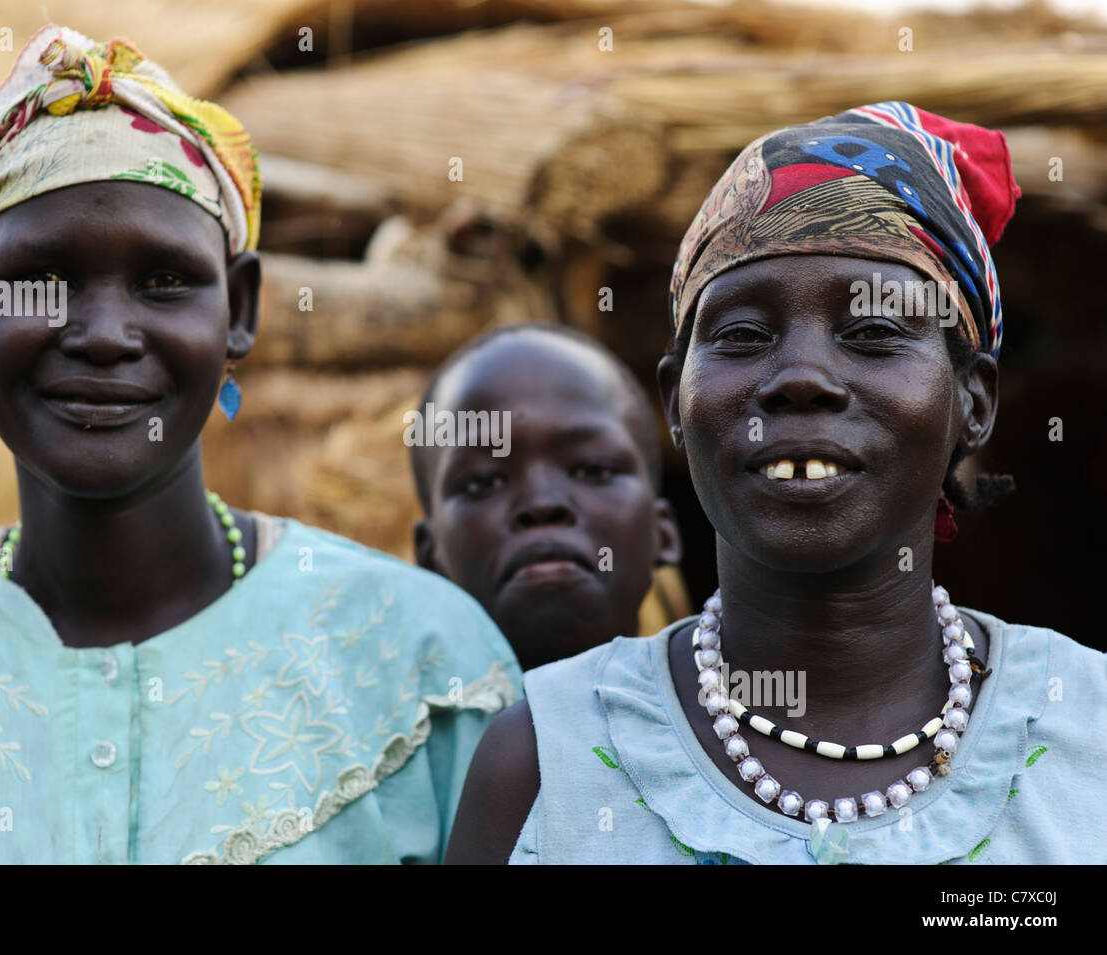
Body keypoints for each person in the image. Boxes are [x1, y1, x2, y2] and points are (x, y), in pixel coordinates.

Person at [0, 24, 520, 865]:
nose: (105, 334)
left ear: (242, 308)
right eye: (45, 279)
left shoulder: (425, 668)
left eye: (164, 281)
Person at [445, 102, 1107, 865]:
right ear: (674, 404)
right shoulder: (542, 759)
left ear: (973, 401)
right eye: (743, 335)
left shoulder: (1086, 732)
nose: (800, 378)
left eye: (872, 333)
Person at [410, 323, 683, 671]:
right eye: (484, 482)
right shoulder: (377, 725)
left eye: (593, 470)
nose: (542, 504)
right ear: (429, 555)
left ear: (663, 532)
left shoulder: (733, 719)